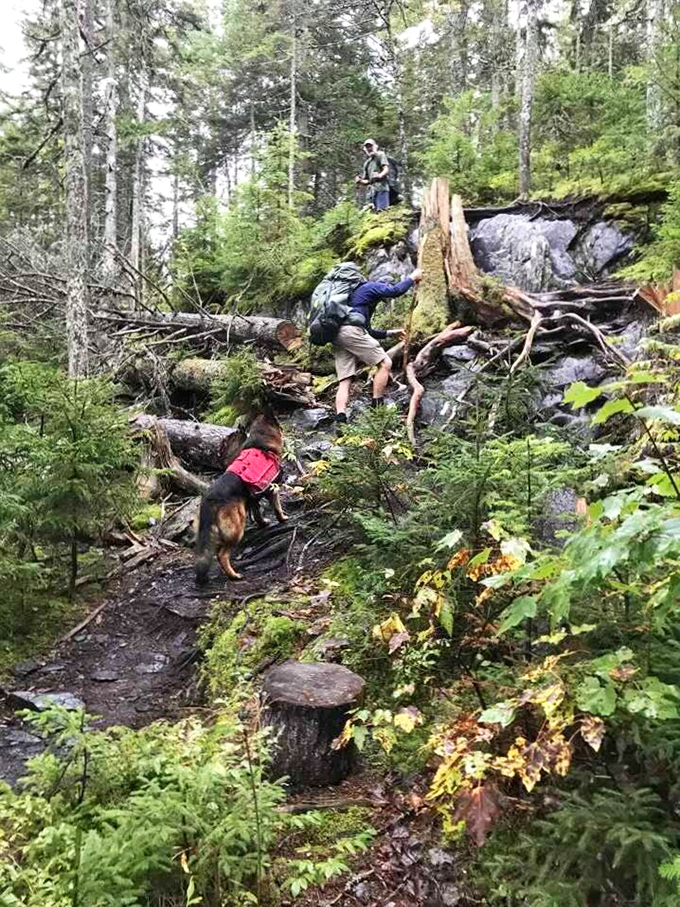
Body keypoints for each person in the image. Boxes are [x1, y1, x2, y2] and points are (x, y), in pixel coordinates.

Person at [334, 266, 424, 428]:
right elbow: (396, 291)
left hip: (338, 335)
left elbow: (368, 331)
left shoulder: (355, 299)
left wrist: (391, 333)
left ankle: (340, 419)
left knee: (345, 379)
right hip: (351, 331)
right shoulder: (371, 287)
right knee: (385, 363)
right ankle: (377, 407)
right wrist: (412, 277)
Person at [355, 139, 390, 212]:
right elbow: (367, 181)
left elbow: (386, 169)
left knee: (382, 211)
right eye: (367, 147)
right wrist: (360, 181)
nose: (369, 148)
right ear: (365, 149)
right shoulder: (367, 163)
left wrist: (379, 175)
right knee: (372, 213)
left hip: (382, 187)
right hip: (371, 192)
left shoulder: (380, 155)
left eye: (370, 146)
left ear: (375, 146)